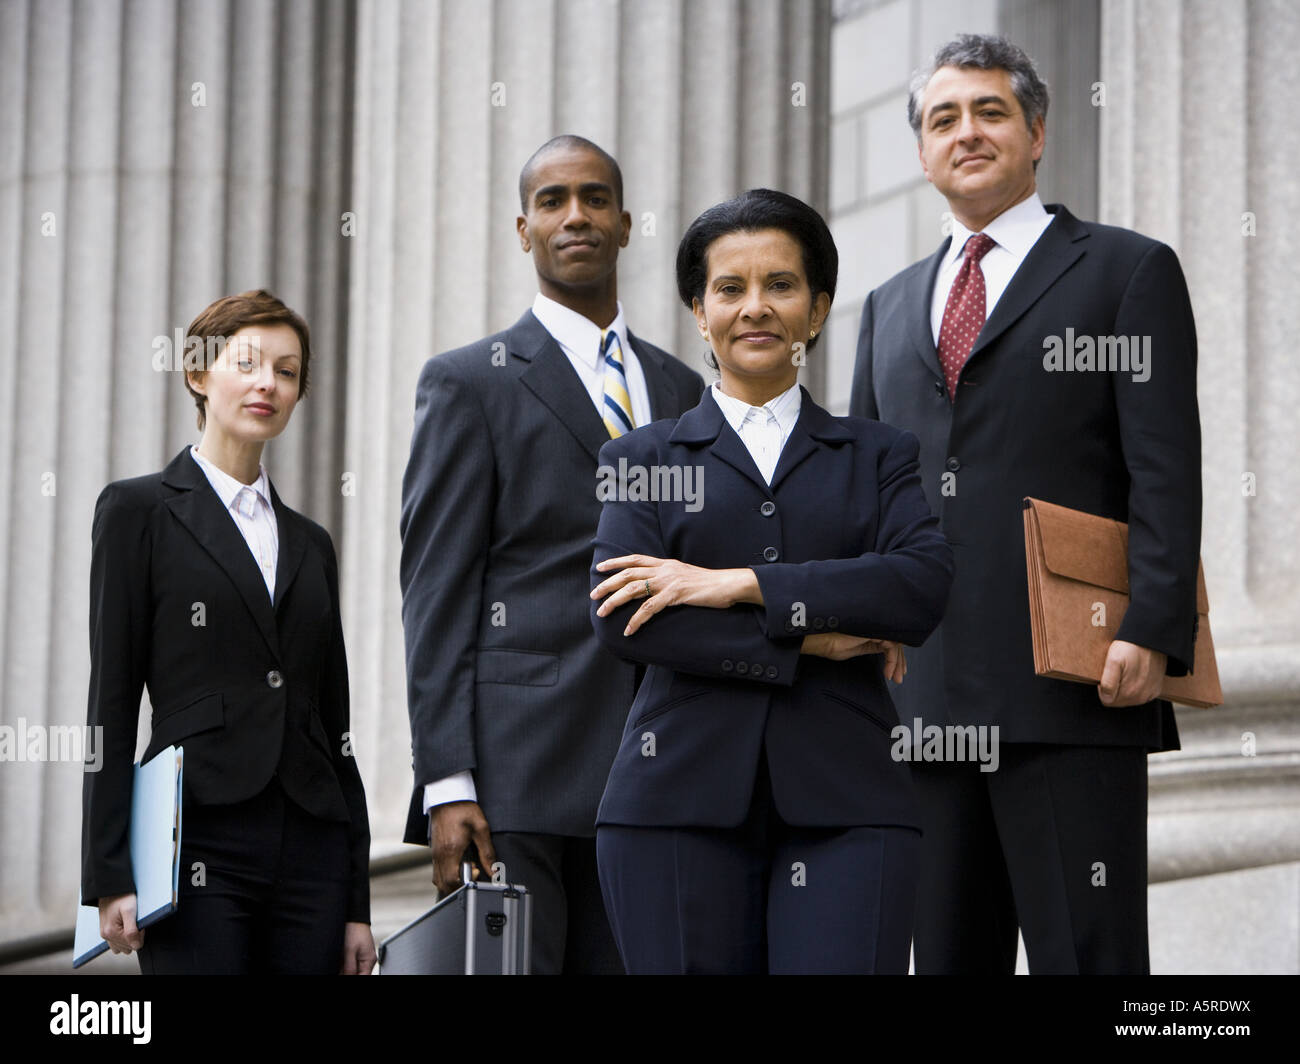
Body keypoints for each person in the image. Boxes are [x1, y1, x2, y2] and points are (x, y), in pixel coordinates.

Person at [850, 34, 1202, 974]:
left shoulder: (1127, 271)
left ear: (1037, 132)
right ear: (922, 152)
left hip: (1074, 683)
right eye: (943, 119)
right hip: (921, 700)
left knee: (1089, 957)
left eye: (990, 112)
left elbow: (1165, 465)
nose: (967, 133)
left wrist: (1150, 625)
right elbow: (867, 492)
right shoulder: (886, 307)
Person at [588, 188, 954, 974]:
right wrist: (811, 640)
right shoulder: (641, 461)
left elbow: (920, 585)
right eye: (730, 288)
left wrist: (739, 585)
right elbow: (627, 619)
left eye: (781, 286)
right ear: (699, 311)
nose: (755, 308)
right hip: (673, 808)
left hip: (851, 805)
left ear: (818, 310)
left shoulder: (879, 453)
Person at [398, 135, 704, 974]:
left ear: (628, 224)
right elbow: (435, 592)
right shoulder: (470, 382)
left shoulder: (683, 390)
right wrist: (447, 782)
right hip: (518, 775)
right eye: (554, 200)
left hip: (661, 764)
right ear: (523, 230)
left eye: (596, 198)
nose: (577, 215)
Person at [81, 290, 375, 975]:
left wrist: (356, 900)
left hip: (311, 851)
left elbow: (338, 727)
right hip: (196, 841)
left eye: (288, 370)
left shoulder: (312, 543)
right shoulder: (138, 511)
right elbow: (111, 701)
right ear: (196, 372)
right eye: (247, 362)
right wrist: (108, 871)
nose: (268, 383)